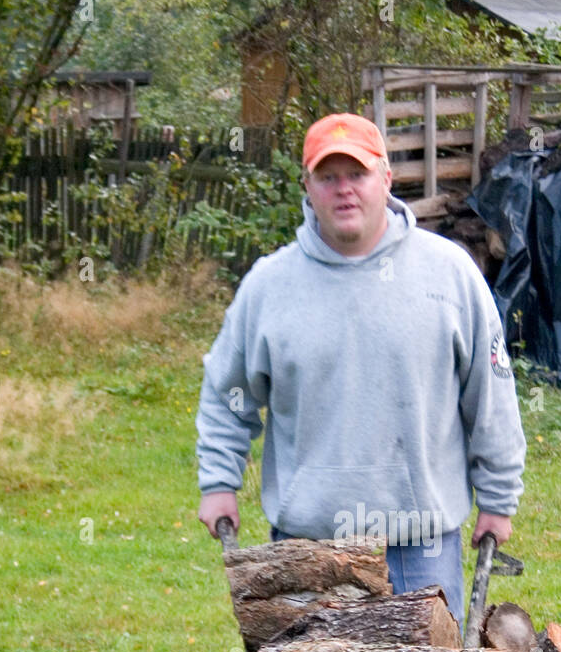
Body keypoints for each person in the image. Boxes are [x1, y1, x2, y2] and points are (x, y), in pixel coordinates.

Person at [195, 112, 526, 625]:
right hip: (306, 547)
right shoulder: (270, 286)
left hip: (420, 548)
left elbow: (490, 396)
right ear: (308, 187)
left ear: (387, 179)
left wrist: (499, 497)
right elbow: (227, 393)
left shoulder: (449, 274)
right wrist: (219, 482)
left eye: (358, 174)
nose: (343, 190)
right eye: (328, 177)